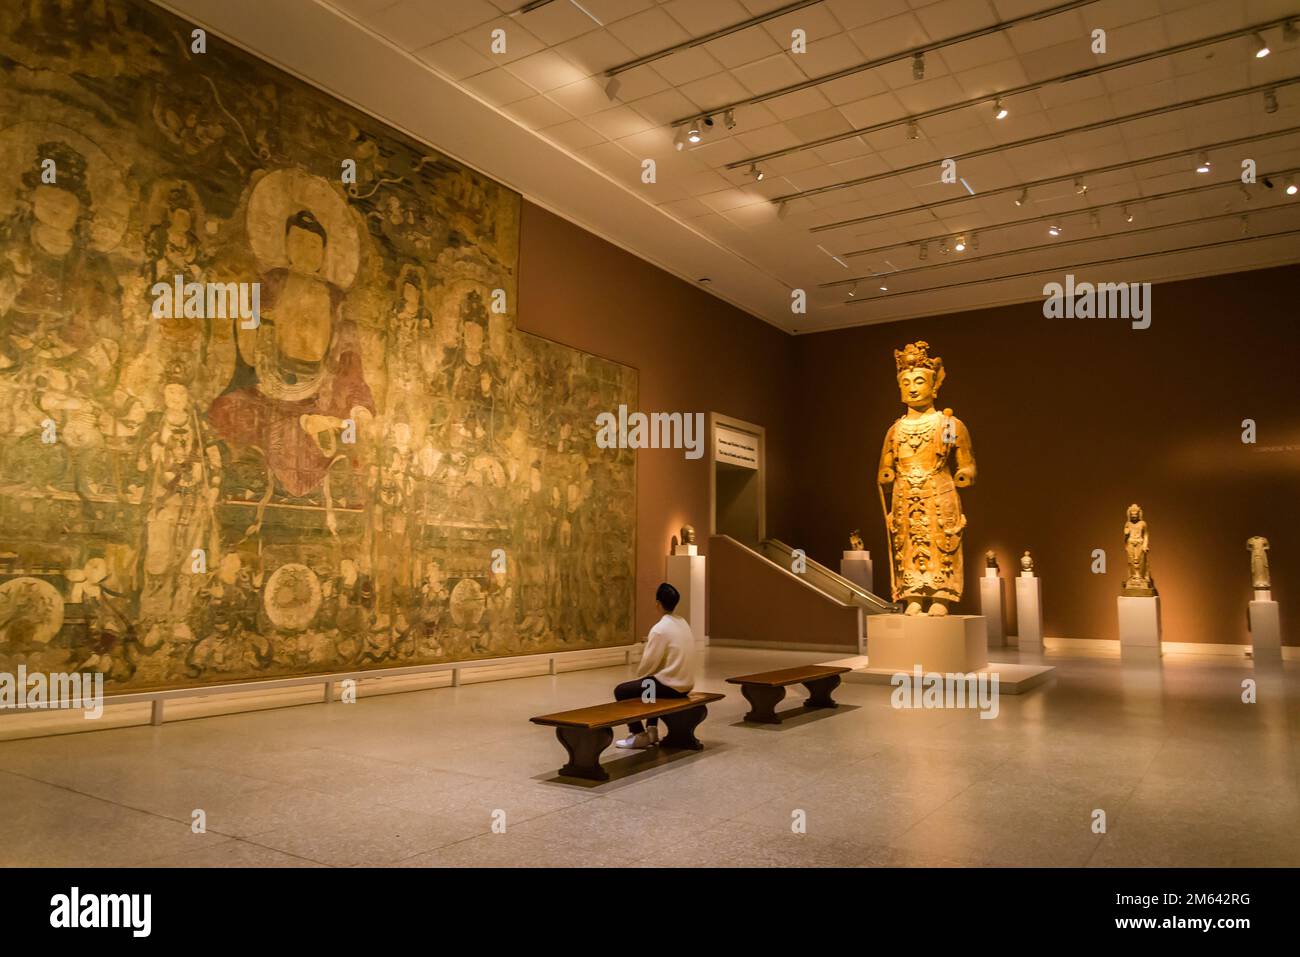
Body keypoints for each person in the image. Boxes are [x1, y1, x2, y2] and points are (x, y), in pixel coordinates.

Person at [614, 582, 695, 750]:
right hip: (685, 685)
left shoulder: (660, 628)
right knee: (650, 685)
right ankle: (652, 728)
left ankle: (638, 734)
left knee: (622, 690)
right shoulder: (682, 622)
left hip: (671, 687)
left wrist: (639, 676)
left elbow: (648, 664)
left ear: (657, 603)